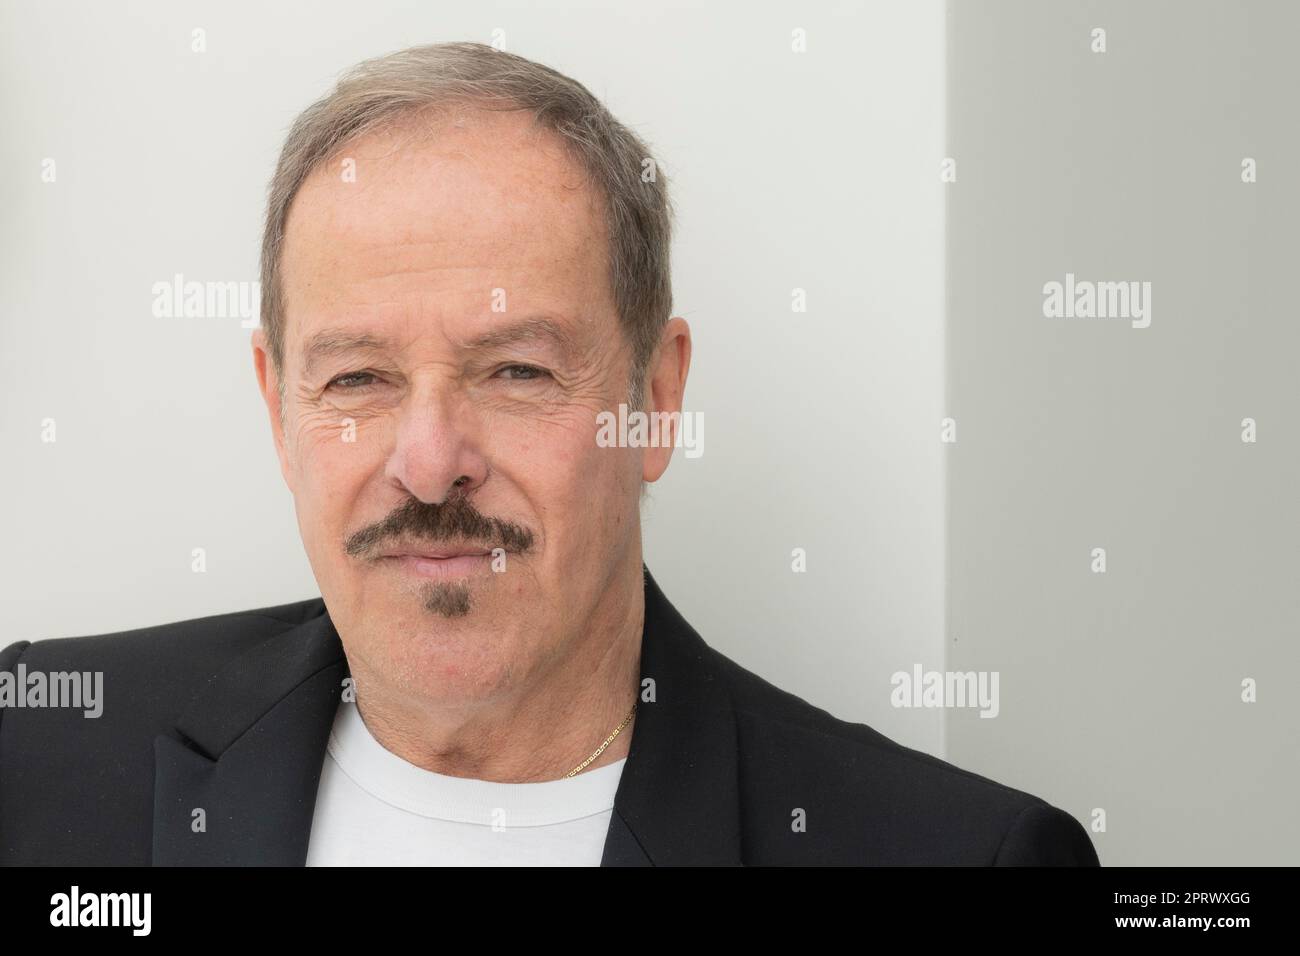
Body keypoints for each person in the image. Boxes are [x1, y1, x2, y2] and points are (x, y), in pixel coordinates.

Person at [0, 42, 1098, 866]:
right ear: (277, 408)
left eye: (515, 370)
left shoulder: (959, 857)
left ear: (655, 399)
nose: (429, 466)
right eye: (358, 378)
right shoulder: (37, 745)